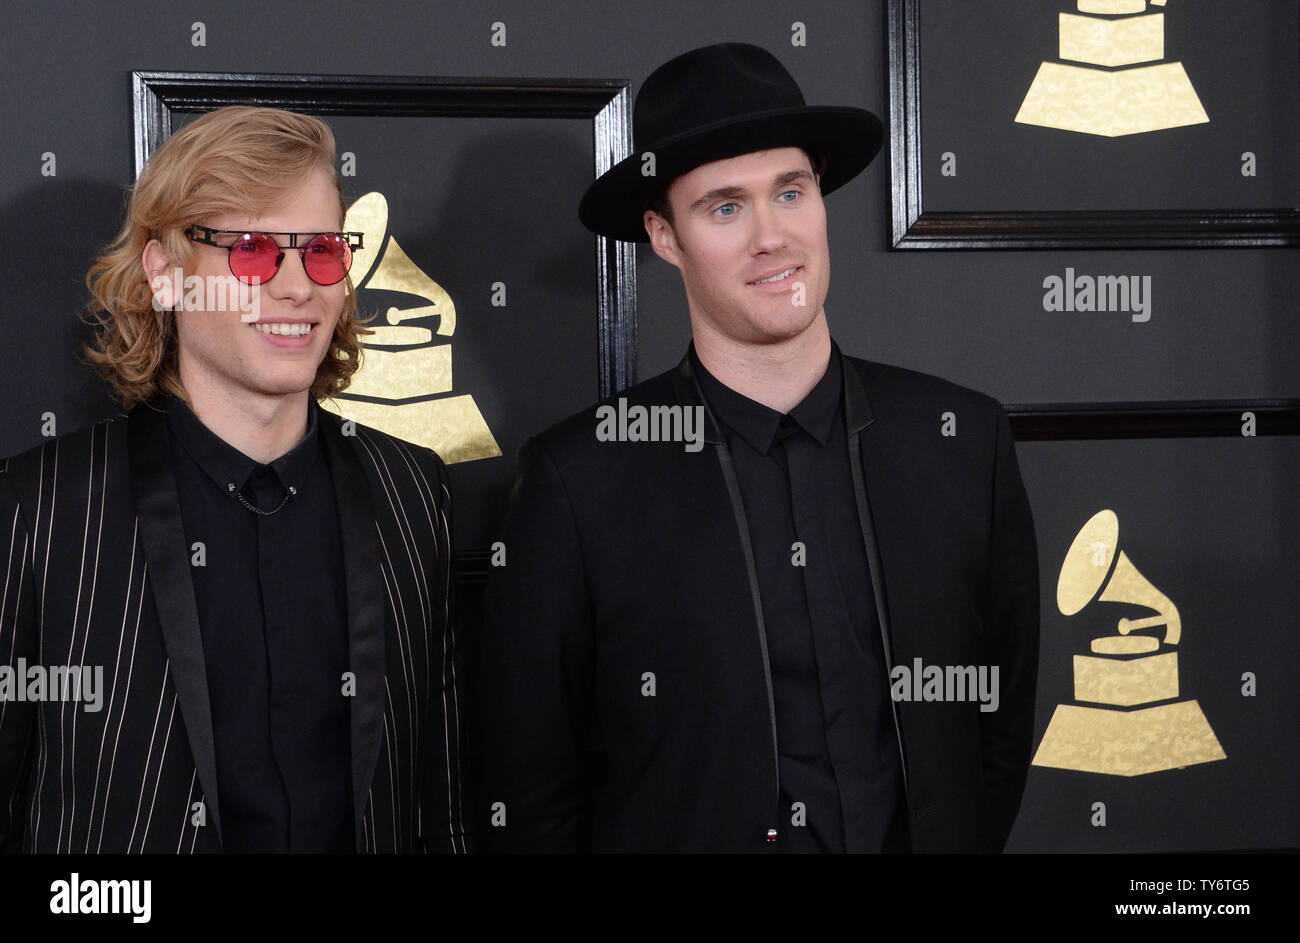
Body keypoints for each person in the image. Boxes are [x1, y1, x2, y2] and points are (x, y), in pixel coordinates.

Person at [478, 43, 1039, 853]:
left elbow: (996, 733)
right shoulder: (579, 481)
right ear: (664, 236)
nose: (772, 237)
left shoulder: (963, 443)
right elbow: (532, 792)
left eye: (790, 190)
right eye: (725, 207)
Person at [0, 106, 470, 853]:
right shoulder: (43, 507)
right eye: (252, 250)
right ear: (164, 274)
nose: (296, 287)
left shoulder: (412, 491)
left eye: (320, 251)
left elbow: (441, 801)